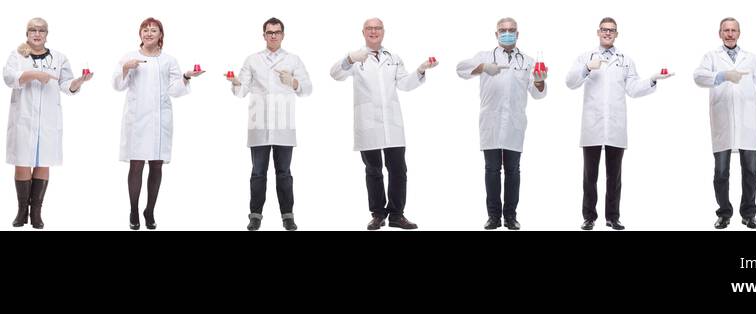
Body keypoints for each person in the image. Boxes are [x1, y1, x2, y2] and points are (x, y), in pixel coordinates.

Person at [330, 18, 438, 230]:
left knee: (398, 169)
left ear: (383, 32)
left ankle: (397, 215)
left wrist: (421, 69)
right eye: (369, 28)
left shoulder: (393, 57)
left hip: (392, 123)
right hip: (367, 122)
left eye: (377, 28)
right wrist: (350, 59)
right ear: (363, 32)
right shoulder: (356, 57)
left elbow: (405, 84)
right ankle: (378, 214)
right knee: (373, 170)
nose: (373, 31)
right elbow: (335, 74)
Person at [564, 17, 671, 231]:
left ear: (616, 34)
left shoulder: (625, 60)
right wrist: (586, 68)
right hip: (592, 125)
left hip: (615, 126)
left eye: (611, 30)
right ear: (598, 32)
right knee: (590, 176)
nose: (607, 33)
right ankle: (589, 217)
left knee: (614, 176)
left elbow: (633, 89)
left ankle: (612, 217)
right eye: (604, 30)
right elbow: (570, 82)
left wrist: (652, 79)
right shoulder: (586, 57)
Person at [692, 17, 756, 230]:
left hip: (747, 124)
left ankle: (748, 214)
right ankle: (724, 214)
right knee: (721, 173)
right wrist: (723, 75)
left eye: (733, 30)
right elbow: (698, 77)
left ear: (739, 33)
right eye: (726, 30)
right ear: (720, 33)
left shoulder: (751, 58)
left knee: (750, 173)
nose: (729, 33)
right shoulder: (711, 57)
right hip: (723, 123)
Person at [455, 17, 547, 230]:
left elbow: (537, 94)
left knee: (513, 171)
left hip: (515, 123)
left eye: (511, 30)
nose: (507, 33)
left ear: (518, 34)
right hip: (491, 123)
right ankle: (494, 217)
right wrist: (483, 67)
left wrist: (540, 81)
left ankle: (511, 217)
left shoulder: (528, 61)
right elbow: (460, 70)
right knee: (492, 170)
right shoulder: (485, 56)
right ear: (496, 34)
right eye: (503, 30)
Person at [113, 17, 203, 230]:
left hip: (159, 119)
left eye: (154, 30)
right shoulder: (129, 57)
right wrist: (126, 68)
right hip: (136, 119)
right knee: (136, 165)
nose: (149, 33)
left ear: (161, 35)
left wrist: (186, 77)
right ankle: (134, 210)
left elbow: (174, 89)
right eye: (145, 30)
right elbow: (118, 85)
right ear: (140, 34)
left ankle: (150, 210)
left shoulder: (168, 60)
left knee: (156, 165)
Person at [2, 17, 91, 229]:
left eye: (41, 30)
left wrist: (78, 82)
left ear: (47, 34)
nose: (37, 33)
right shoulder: (16, 55)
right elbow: (8, 78)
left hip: (48, 120)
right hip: (23, 118)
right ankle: (22, 210)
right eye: (33, 30)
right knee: (22, 162)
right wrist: (33, 74)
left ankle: (36, 213)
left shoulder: (59, 58)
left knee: (43, 162)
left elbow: (66, 84)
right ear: (27, 33)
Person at [226, 17, 312, 231]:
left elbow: (308, 89)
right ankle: (255, 216)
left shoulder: (293, 60)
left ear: (283, 34)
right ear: (263, 35)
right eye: (269, 32)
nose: (273, 35)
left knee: (284, 172)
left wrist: (292, 82)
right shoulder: (252, 60)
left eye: (277, 32)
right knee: (258, 172)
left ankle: (287, 216)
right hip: (259, 125)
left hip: (283, 126)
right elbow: (242, 91)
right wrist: (236, 82)